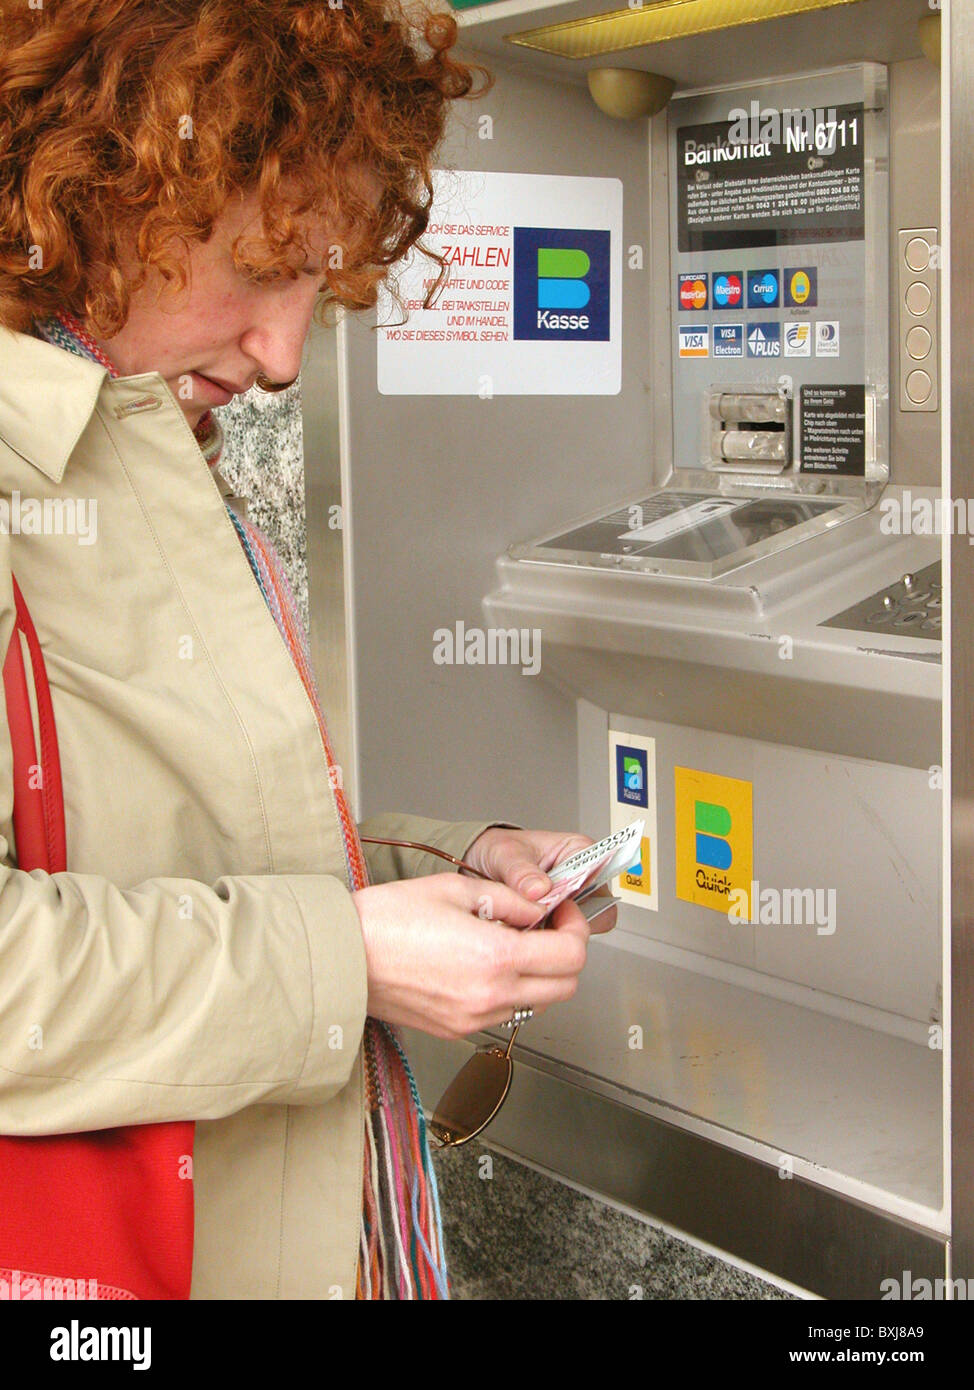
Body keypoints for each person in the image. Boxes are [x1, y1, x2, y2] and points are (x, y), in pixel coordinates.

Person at [0, 0, 616, 1300]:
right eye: (260, 266)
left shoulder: (139, 449)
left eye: (314, 280)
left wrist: (439, 876)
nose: (284, 355)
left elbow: (160, 853)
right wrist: (355, 954)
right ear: (97, 195)